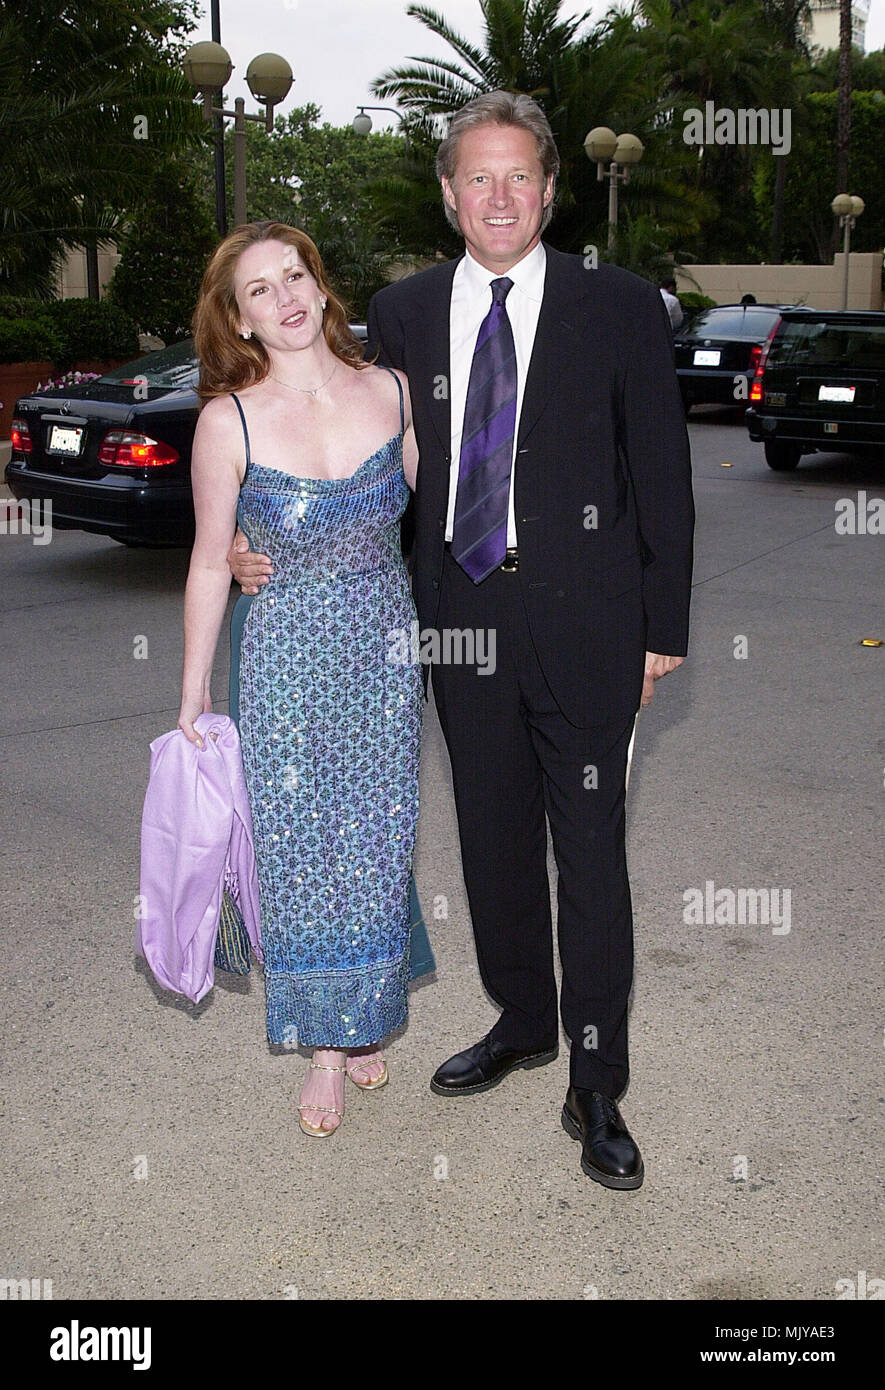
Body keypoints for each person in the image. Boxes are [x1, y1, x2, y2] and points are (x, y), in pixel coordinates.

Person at [228, 94, 695, 1189]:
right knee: (489, 842)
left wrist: (661, 628)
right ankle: (523, 1019)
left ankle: (595, 1080)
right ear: (449, 195)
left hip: (589, 628)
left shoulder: (619, 306)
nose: (498, 197)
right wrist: (255, 535)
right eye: (475, 178)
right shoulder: (401, 310)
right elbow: (317, 417)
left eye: (518, 176)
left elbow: (663, 479)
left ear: (548, 188)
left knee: (588, 854)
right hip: (458, 627)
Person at [179, 221, 422, 1137]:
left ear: (320, 288)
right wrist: (193, 694)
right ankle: (324, 1048)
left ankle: (364, 1021)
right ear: (238, 321)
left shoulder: (393, 393)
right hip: (283, 657)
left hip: (383, 655)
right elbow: (209, 562)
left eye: (294, 277)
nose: (283, 299)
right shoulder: (227, 420)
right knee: (299, 850)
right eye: (258, 291)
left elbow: (444, 522)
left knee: (377, 838)